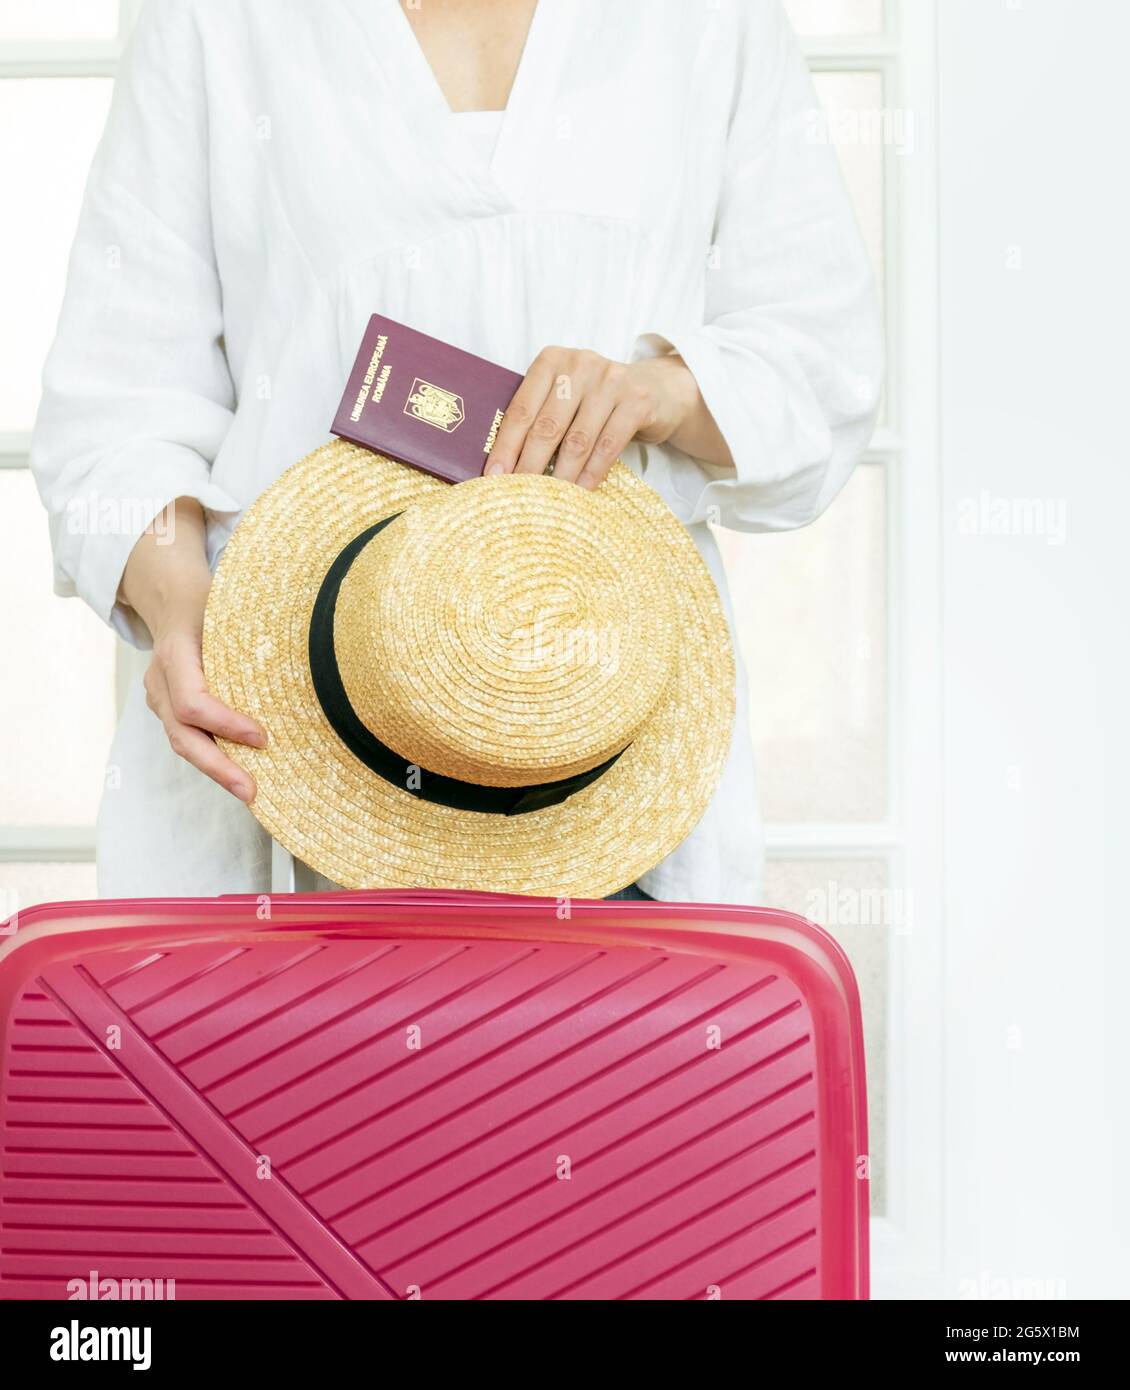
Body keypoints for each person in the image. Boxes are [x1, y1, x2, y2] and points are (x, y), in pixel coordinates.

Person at [30, 0, 883, 901]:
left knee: (618, 1041)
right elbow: (117, 405)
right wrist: (184, 620)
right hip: (280, 742)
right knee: (279, 1045)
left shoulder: (712, 21)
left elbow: (821, 359)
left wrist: (659, 388)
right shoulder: (214, 22)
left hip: (604, 741)